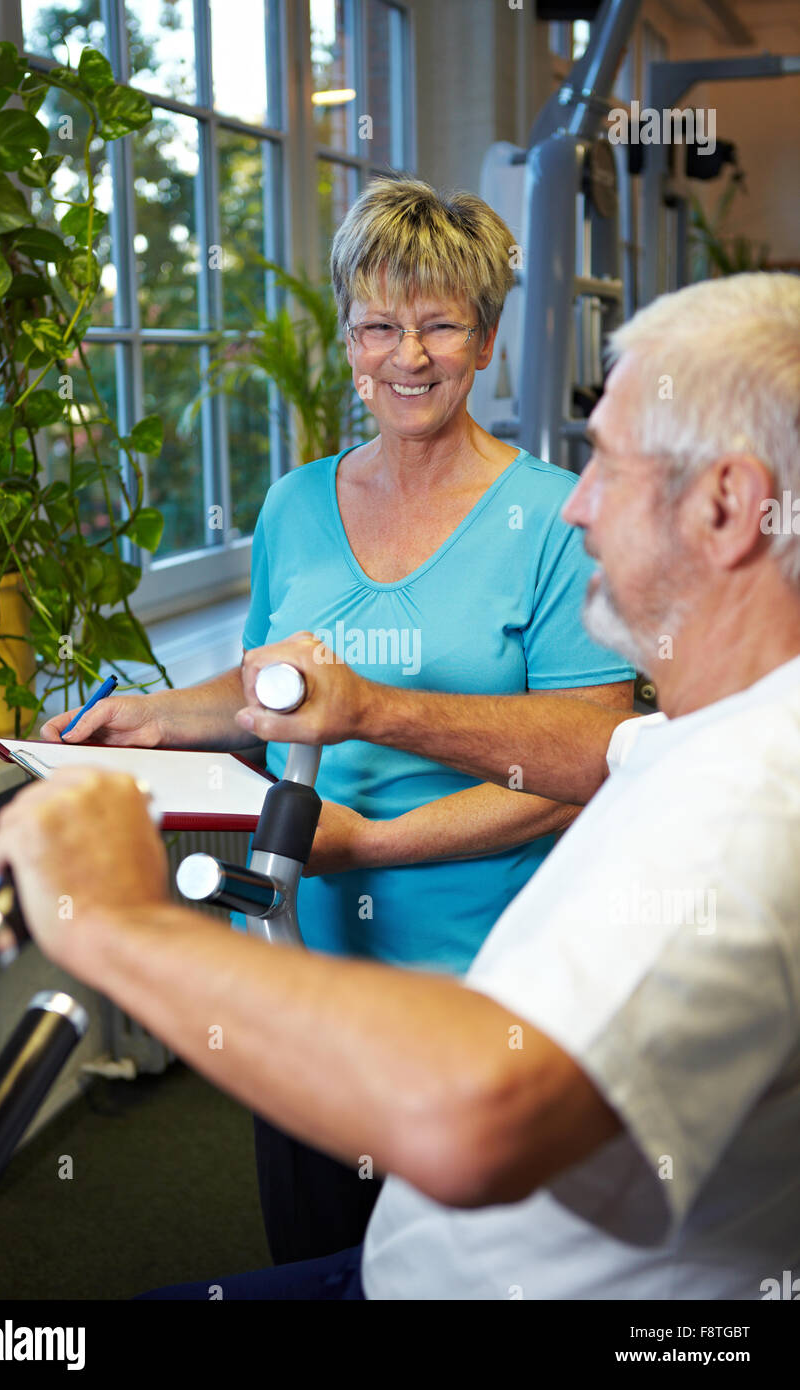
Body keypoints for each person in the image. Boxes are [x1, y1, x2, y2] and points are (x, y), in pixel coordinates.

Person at [0, 270, 800, 1299]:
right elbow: (595, 751)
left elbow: (477, 1121)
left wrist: (114, 920)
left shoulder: (743, 802)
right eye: (378, 326)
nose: (579, 504)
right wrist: (171, 720)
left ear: (727, 506)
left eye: (604, 460)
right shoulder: (706, 737)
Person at [40, 176, 633, 1263]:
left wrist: (367, 844)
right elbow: (269, 695)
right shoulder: (294, 504)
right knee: (316, 1249)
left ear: (486, 340)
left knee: (459, 1268)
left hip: (474, 977)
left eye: (439, 325)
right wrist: (152, 719)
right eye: (378, 325)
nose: (408, 355)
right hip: (296, 953)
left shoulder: (553, 519)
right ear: (350, 342)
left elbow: (586, 761)